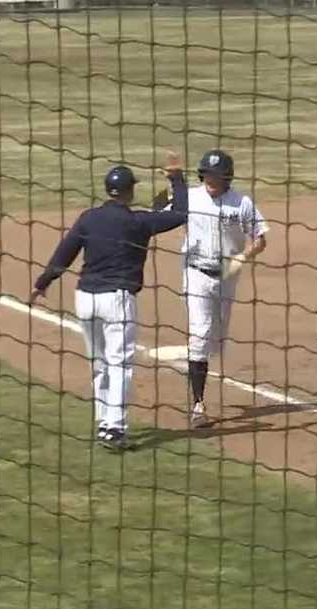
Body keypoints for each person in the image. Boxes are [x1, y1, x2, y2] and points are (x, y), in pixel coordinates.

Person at [28, 152, 187, 450]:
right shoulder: (139, 221)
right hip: (117, 301)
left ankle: (104, 420)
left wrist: (42, 283)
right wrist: (176, 179)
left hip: (85, 299)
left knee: (99, 363)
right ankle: (114, 428)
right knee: (120, 365)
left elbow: (65, 253)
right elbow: (180, 214)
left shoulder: (89, 218)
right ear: (130, 191)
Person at [180, 149, 268, 429]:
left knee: (215, 339)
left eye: (215, 175)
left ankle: (200, 383)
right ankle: (198, 405)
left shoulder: (241, 203)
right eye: (206, 173)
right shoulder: (191, 197)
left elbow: (260, 238)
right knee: (200, 333)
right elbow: (159, 212)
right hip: (195, 273)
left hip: (227, 276)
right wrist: (172, 183)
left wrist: (243, 257)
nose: (210, 179)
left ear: (226, 177)